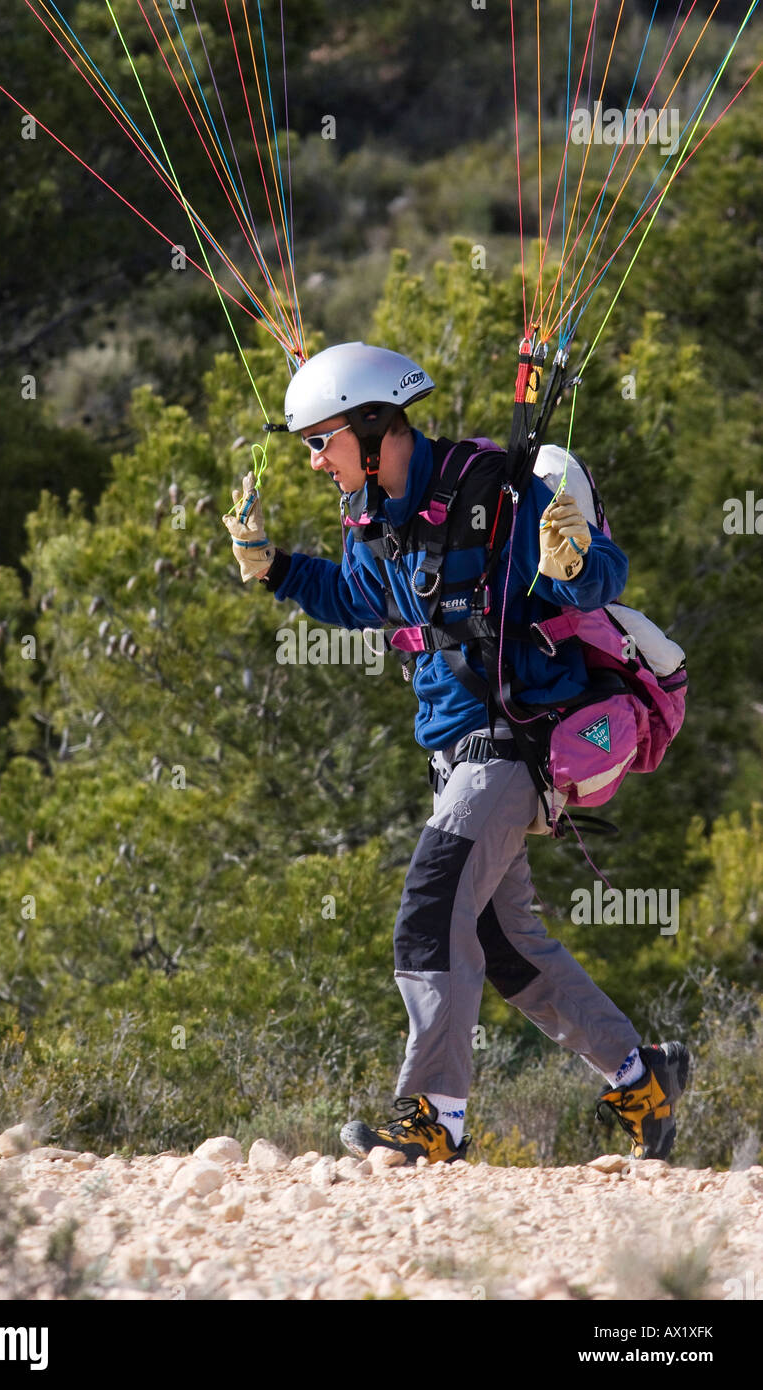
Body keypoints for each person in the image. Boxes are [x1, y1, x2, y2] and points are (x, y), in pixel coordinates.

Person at [222, 341, 689, 1165]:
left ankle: (434, 1117)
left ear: (373, 430)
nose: (314, 461)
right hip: (452, 757)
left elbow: (597, 579)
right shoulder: (373, 524)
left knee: (432, 908)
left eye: (320, 441)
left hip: (512, 745)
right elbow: (355, 601)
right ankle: (640, 1076)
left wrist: (574, 563)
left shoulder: (494, 491)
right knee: (506, 948)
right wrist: (274, 569)